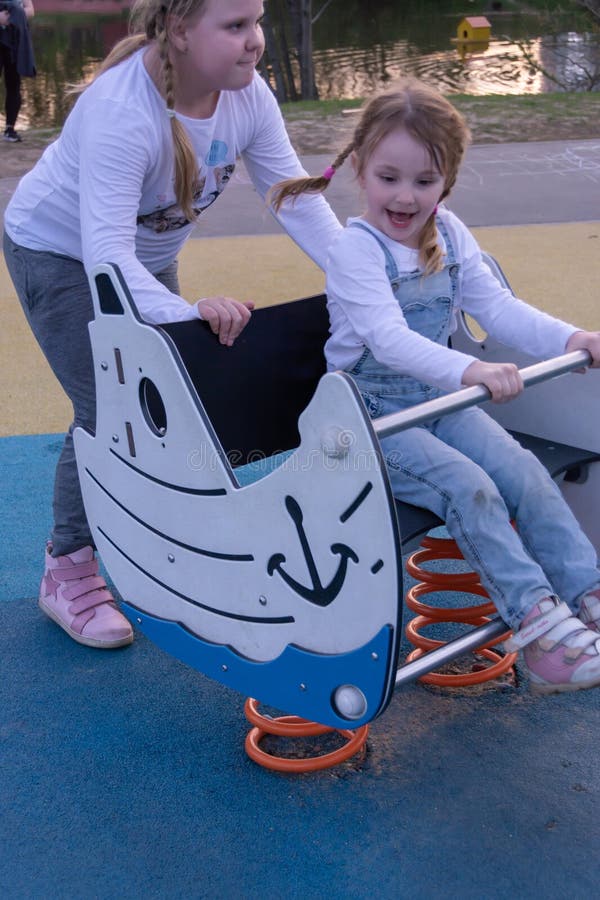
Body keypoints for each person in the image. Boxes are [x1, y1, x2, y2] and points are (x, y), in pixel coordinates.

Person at [3, 0, 341, 650]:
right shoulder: (121, 112)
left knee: (177, 403)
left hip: (141, 262)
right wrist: (188, 317)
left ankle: (175, 546)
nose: (256, 43)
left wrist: (363, 278)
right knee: (109, 406)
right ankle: (67, 569)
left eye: (258, 21)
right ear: (181, 31)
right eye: (236, 27)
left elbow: (293, 200)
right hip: (61, 254)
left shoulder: (246, 96)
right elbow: (104, 256)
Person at [270, 80, 600, 695]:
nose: (405, 195)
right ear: (362, 170)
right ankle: (538, 629)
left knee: (522, 470)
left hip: (435, 404)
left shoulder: (448, 233)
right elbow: (388, 340)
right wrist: (469, 370)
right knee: (467, 486)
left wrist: (571, 338)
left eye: (424, 181)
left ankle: (586, 591)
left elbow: (498, 309)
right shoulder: (356, 252)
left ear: (446, 181)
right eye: (389, 177)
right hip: (363, 422)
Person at [0, 0, 35, 142]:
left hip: (14, 42)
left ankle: (10, 129)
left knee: (14, 85)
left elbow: (30, 10)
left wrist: (13, 16)